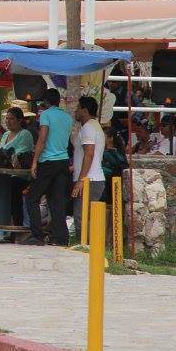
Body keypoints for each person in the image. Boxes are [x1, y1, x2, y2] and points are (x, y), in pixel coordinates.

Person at [24, 88, 74, 246]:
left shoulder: (45, 115)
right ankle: (61, 238)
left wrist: (34, 162)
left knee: (32, 197)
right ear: (59, 101)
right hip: (63, 162)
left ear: (45, 102)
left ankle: (37, 235)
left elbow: (43, 138)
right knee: (56, 201)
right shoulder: (67, 117)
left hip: (48, 162)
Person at [70, 96, 107, 242]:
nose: (75, 111)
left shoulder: (88, 128)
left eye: (78, 108)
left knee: (81, 216)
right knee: (85, 216)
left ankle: (85, 248)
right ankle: (88, 247)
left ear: (84, 110)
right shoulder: (94, 126)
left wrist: (81, 180)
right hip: (93, 178)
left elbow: (89, 154)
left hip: (89, 179)